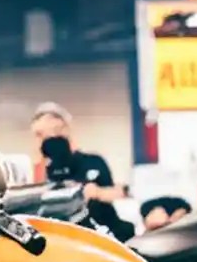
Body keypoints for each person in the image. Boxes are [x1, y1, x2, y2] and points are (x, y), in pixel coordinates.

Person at [31, 102, 135, 241]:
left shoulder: (93, 161)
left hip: (102, 234)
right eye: (39, 134)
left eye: (55, 131)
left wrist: (96, 193)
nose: (47, 139)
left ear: (65, 129)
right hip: (59, 238)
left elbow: (120, 193)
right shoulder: (35, 173)